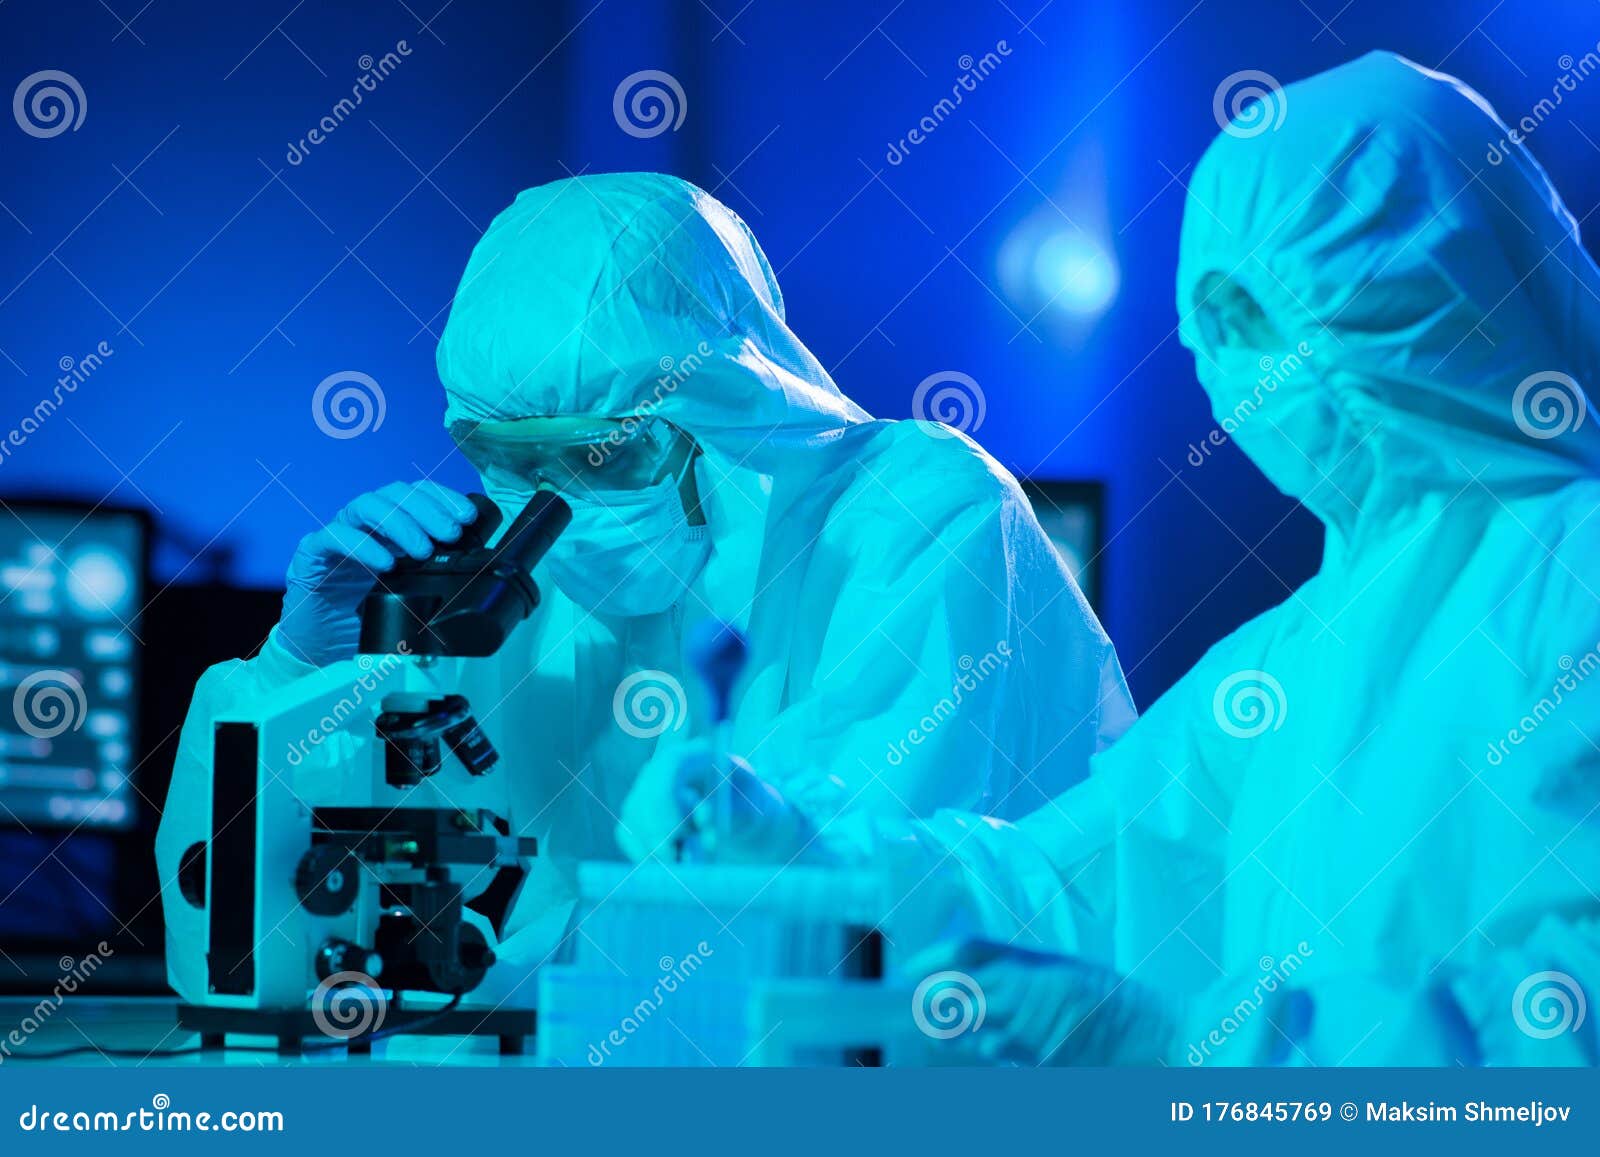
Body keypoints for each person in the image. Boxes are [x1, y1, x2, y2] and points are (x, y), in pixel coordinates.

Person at [631, 53, 1600, 1066]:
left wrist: (1195, 1045)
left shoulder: (1570, 577)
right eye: (1208, 327)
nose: (1228, 370)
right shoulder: (1294, 655)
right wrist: (798, 847)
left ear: (1429, 288)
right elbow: (1072, 877)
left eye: (1255, 313)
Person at [154, 172, 1133, 1004]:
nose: (550, 505)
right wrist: (299, 672)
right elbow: (247, 951)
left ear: (723, 408)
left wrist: (508, 979)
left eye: (599, 453)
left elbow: (812, 924)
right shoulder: (535, 577)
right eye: (503, 455)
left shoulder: (922, 517)